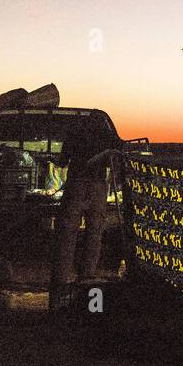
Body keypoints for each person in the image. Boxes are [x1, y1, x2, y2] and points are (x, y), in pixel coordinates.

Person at [49, 116, 117, 308]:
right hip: (98, 187)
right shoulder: (106, 134)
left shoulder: (74, 134)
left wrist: (52, 159)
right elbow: (116, 155)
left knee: (67, 233)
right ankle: (87, 278)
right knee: (94, 233)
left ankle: (61, 282)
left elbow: (62, 162)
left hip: (77, 185)